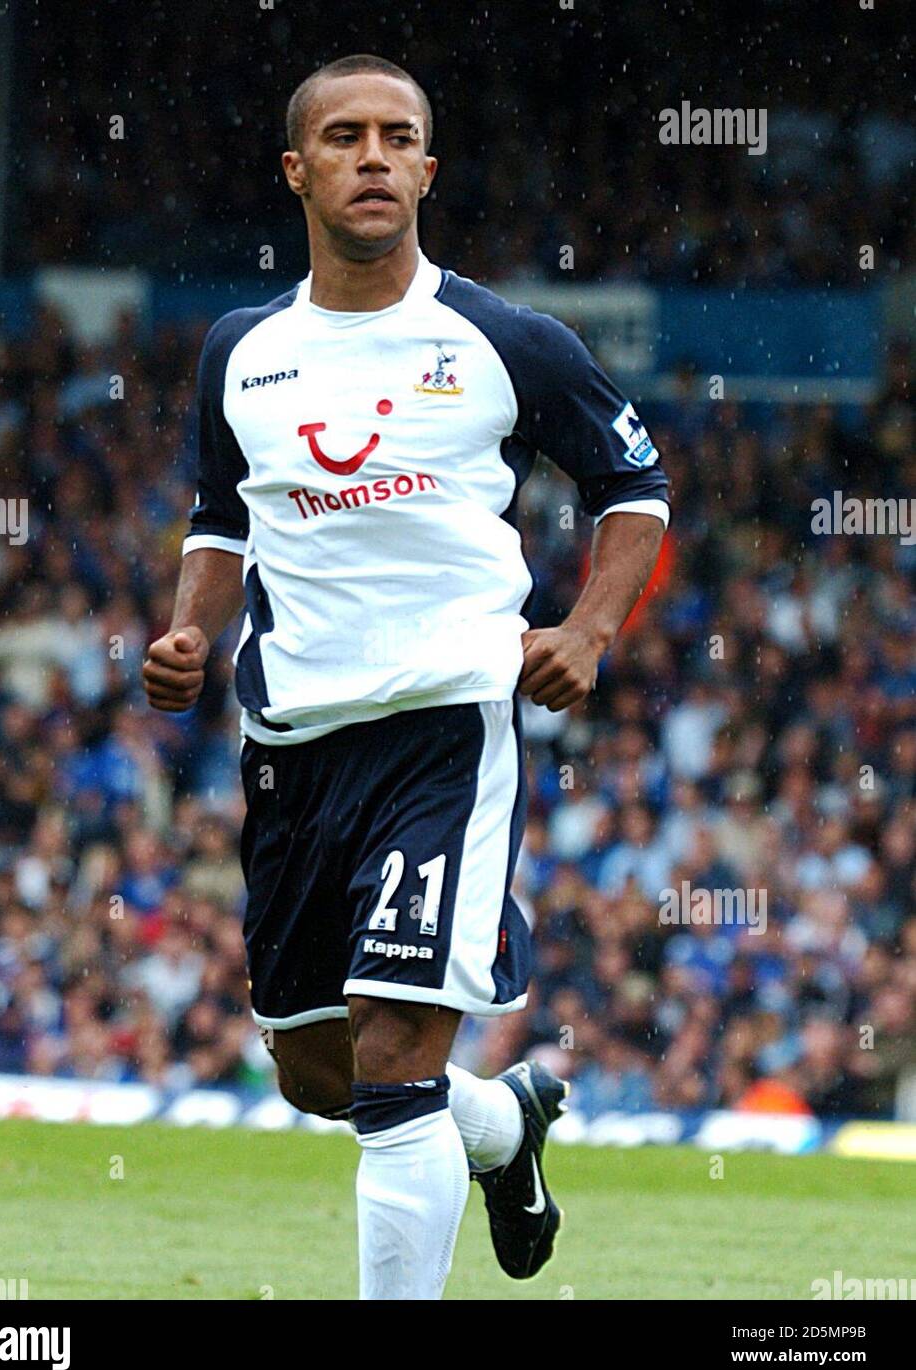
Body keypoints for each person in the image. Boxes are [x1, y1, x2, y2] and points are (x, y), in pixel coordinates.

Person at [143, 53, 669, 1300]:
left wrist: (588, 630)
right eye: (344, 137)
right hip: (289, 737)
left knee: (391, 1058)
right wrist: (187, 631)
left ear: (428, 169)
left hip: (445, 724)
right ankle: (502, 1129)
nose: (371, 156)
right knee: (320, 1071)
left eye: (397, 137)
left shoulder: (503, 339)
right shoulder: (240, 352)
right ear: (297, 169)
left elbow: (633, 489)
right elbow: (224, 520)